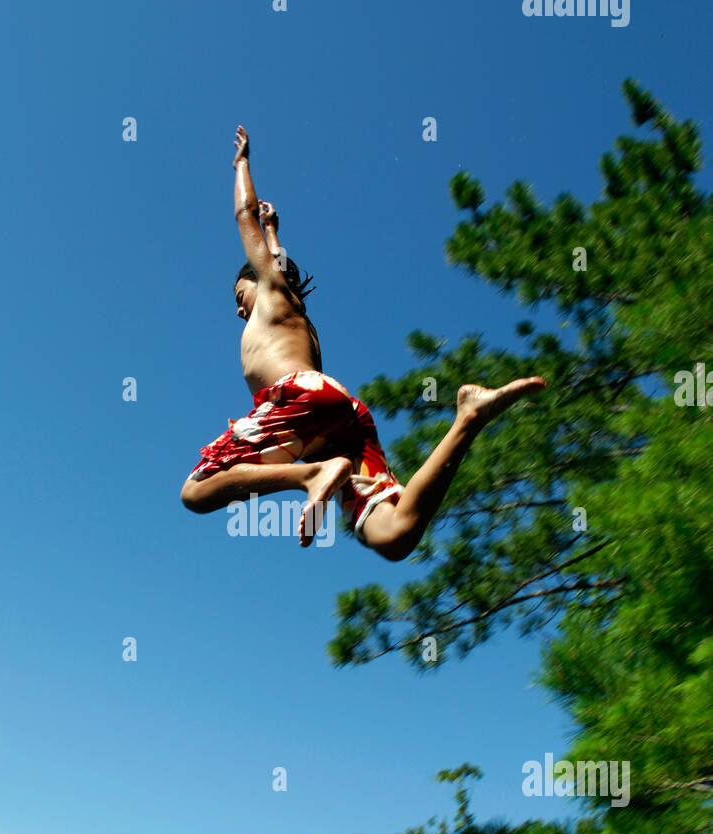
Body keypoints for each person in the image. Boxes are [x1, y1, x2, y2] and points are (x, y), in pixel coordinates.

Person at [180, 126, 545, 557]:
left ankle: (309, 477)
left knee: (196, 492)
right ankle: (469, 418)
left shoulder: (271, 289)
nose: (240, 311)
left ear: (257, 280)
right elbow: (279, 261)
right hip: (339, 413)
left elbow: (244, 215)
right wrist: (276, 230)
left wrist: (241, 163)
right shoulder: (296, 312)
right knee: (393, 535)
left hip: (299, 401)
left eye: (239, 297)